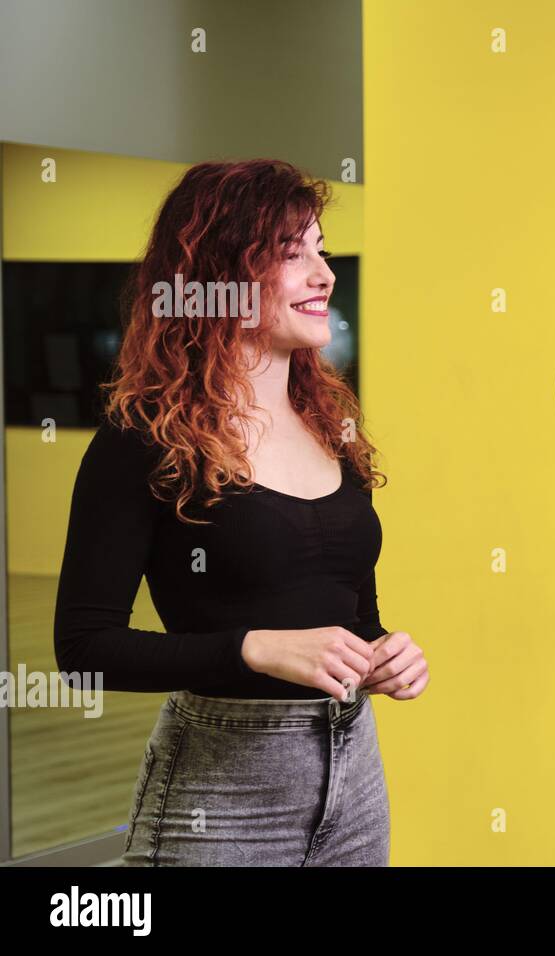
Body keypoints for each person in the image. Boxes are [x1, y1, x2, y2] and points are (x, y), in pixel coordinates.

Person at [53, 159, 429, 866]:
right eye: (293, 254)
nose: (324, 273)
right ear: (218, 278)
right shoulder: (142, 441)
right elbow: (83, 653)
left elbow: (349, 615)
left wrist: (382, 655)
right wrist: (251, 646)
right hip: (221, 796)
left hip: (354, 775)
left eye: (320, 248)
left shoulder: (332, 429)